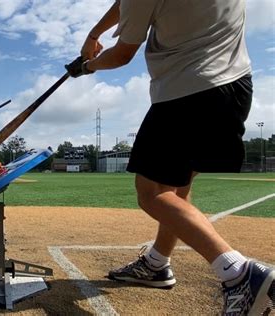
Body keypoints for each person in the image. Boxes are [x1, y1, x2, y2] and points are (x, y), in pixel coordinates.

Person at [65, 0, 274, 315]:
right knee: (177, 189)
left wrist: (85, 67)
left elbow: (122, 54)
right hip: (235, 85)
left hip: (186, 92)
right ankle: (157, 263)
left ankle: (239, 273)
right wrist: (96, 33)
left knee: (152, 194)